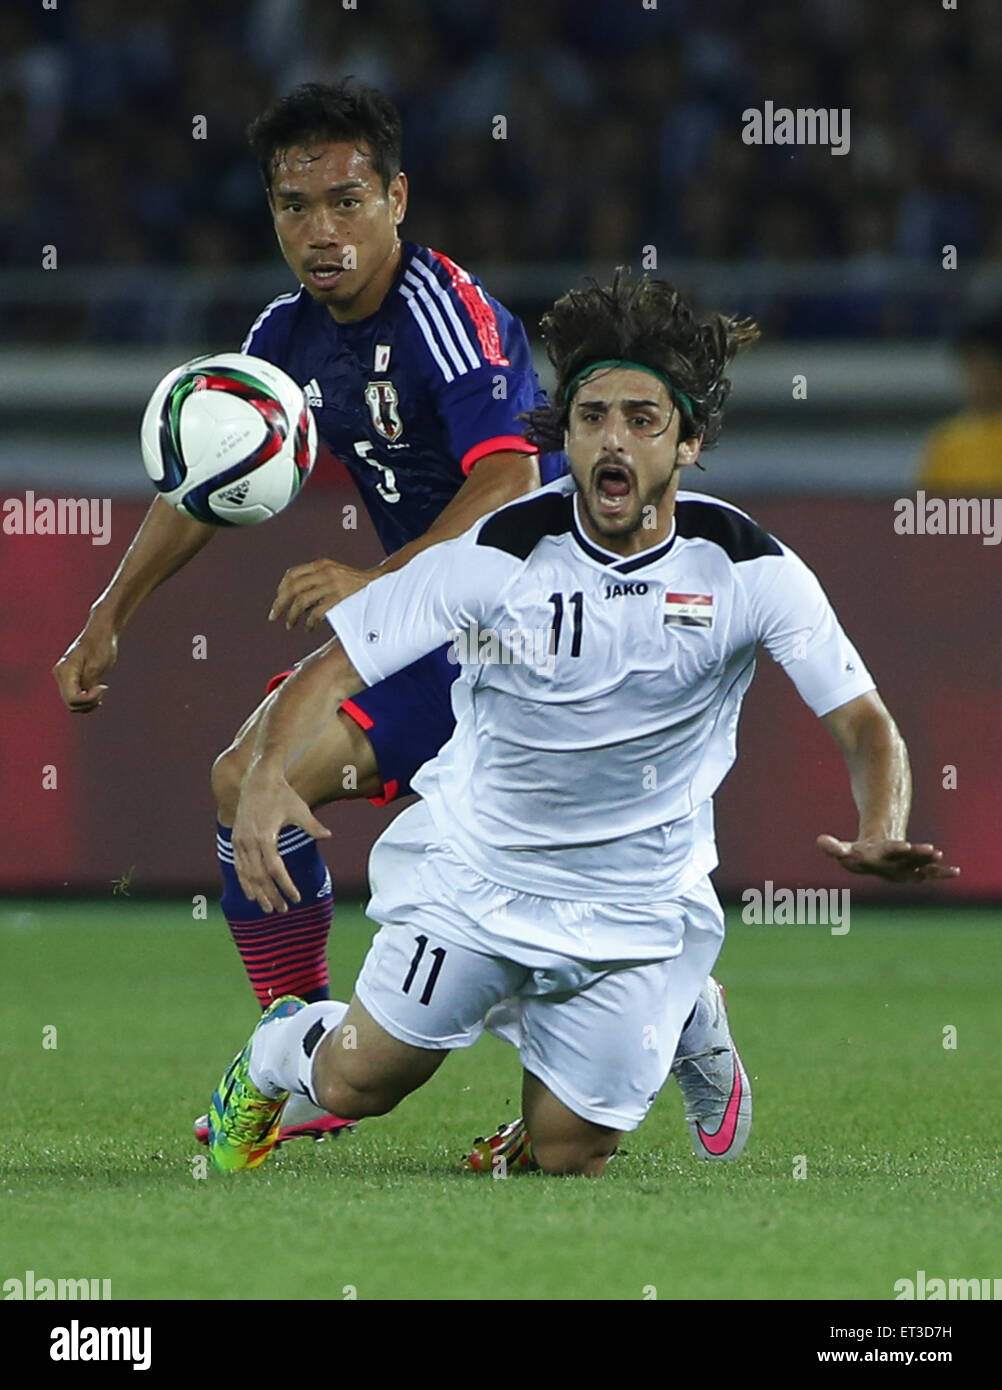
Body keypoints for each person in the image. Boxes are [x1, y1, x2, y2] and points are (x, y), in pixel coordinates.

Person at [52, 81, 744, 1158]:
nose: (320, 232)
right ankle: (295, 1041)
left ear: (397, 198)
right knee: (249, 781)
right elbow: (204, 475)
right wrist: (110, 614)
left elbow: (510, 483)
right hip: (432, 647)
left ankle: (687, 1008)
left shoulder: (443, 311)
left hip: (545, 648)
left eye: (345, 200)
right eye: (293, 207)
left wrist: (382, 586)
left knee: (564, 912)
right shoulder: (286, 334)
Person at [207, 272, 958, 1177]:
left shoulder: (749, 568)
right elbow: (336, 664)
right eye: (592, 414)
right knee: (360, 1082)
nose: (614, 438)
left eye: (643, 419)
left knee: (568, 1157)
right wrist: (263, 778)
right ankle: (283, 1045)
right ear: (562, 432)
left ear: (689, 443)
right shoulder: (497, 553)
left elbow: (865, 721)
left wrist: (883, 827)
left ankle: (684, 1012)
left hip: (638, 901)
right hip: (480, 874)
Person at [919, 307, 1002, 493]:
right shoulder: (947, 441)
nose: (979, 378)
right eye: (971, 366)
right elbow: (925, 513)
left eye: (987, 367)